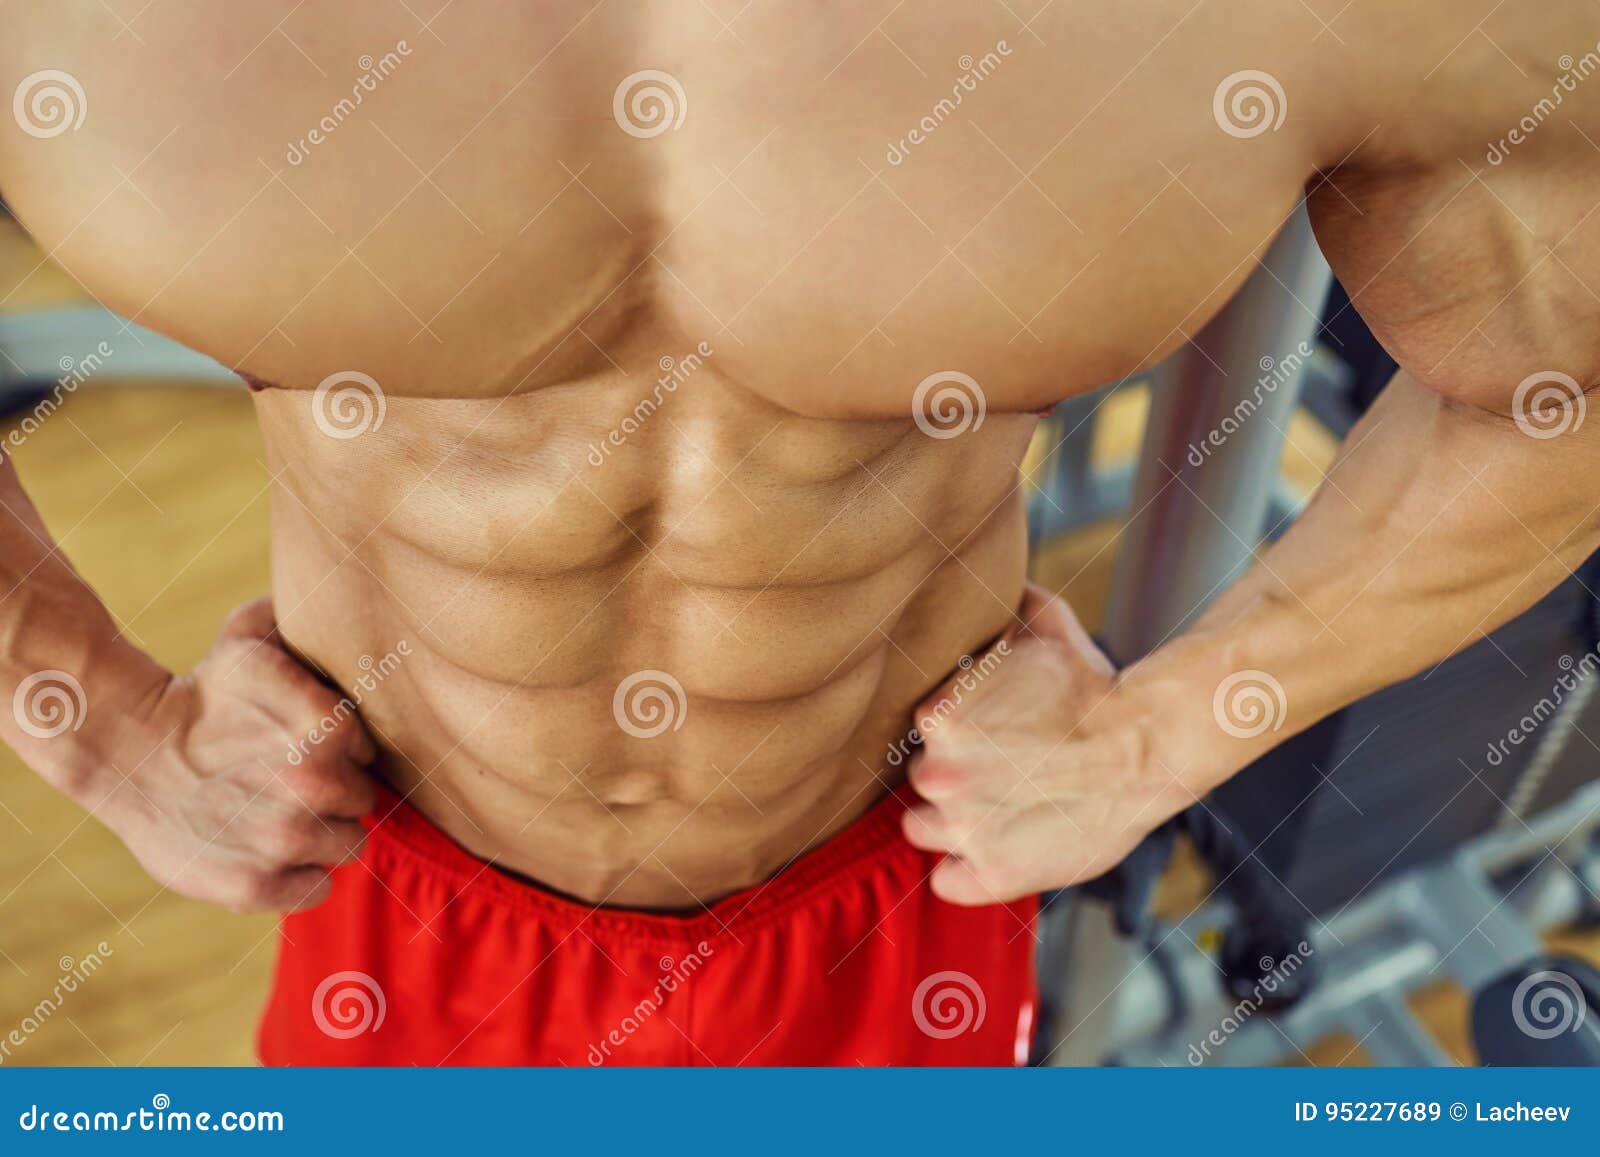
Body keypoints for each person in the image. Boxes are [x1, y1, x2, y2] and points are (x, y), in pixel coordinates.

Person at [1, 2, 1597, 1065]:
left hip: (891, 886)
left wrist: (1166, 735)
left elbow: (1563, 386)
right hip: (391, 880)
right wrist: (98, 730)